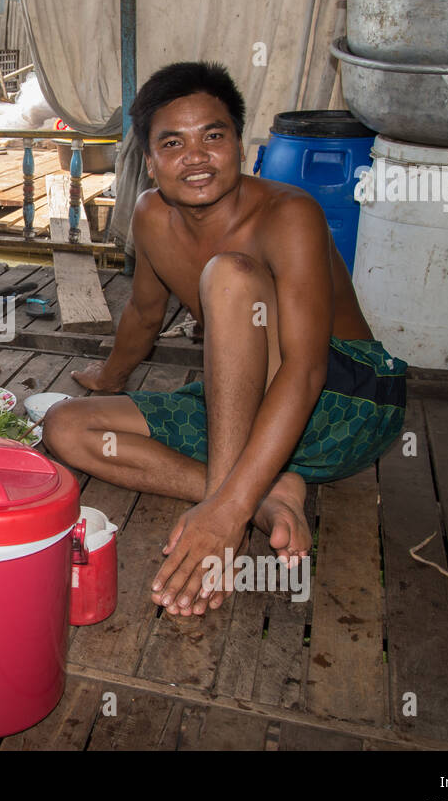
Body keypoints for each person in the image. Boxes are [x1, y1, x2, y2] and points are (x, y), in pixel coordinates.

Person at [43, 61, 406, 618]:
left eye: (213, 135)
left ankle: (230, 506)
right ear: (148, 160)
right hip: (248, 413)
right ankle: (262, 498)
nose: (195, 157)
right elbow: (143, 314)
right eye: (173, 142)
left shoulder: (290, 215)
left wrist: (221, 519)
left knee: (231, 277)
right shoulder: (149, 216)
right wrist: (107, 380)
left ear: (241, 144)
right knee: (65, 426)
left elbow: (306, 371)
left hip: (343, 404)